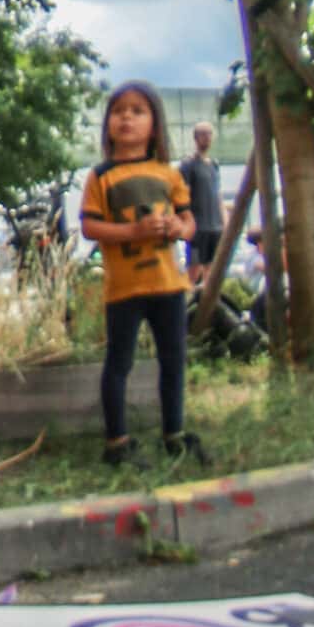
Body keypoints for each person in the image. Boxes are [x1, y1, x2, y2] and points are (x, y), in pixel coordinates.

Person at [79, 81, 199, 467]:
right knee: (119, 362)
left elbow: (189, 220)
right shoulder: (100, 178)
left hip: (169, 284)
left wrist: (177, 229)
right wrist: (134, 232)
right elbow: (90, 228)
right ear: (108, 125)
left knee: (174, 358)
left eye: (137, 110)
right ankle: (117, 441)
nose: (126, 117)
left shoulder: (169, 174)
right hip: (124, 289)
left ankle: (174, 433)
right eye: (118, 111)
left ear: (154, 125)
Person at [179, 119, 224, 281]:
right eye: (203, 134)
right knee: (194, 268)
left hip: (216, 226)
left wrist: (225, 220)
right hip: (198, 227)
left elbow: (218, 194)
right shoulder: (188, 165)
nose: (207, 138)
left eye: (210, 134)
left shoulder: (214, 165)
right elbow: (182, 196)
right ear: (196, 138)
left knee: (212, 269)